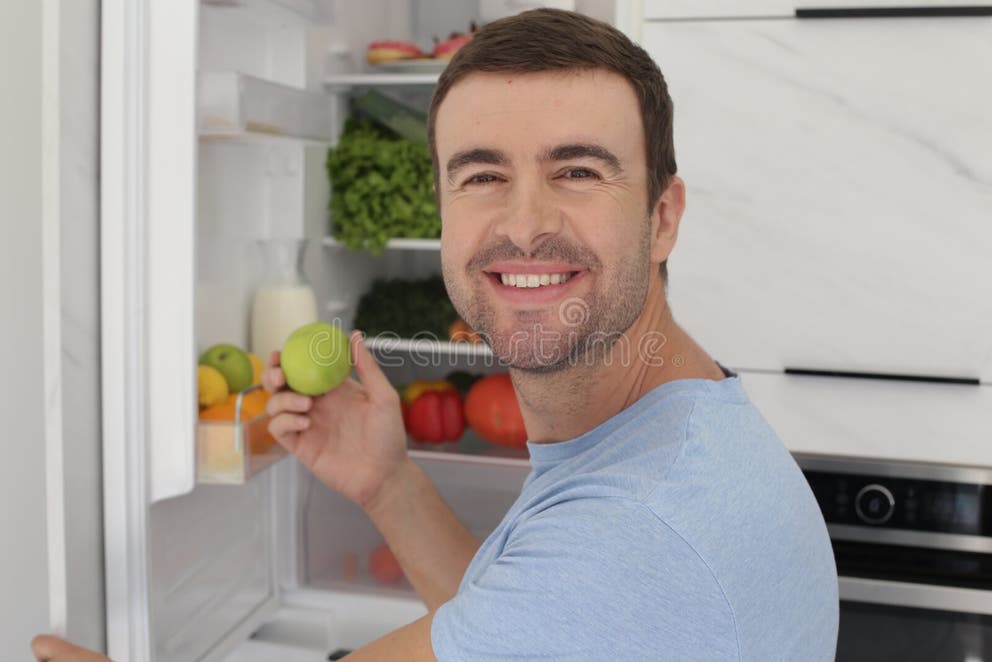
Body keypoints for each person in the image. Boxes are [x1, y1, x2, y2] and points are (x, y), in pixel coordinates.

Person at [33, 8, 838, 662]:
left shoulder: (638, 538)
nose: (524, 224)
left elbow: (575, 598)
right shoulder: (673, 434)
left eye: (578, 171)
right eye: (482, 175)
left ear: (662, 218)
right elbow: (509, 628)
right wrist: (389, 482)